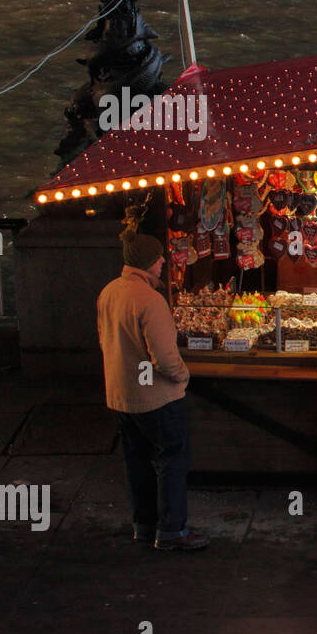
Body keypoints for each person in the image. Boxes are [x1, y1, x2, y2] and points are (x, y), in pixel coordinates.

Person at [96, 226, 208, 551]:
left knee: (136, 462)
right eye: (160, 260)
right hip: (155, 398)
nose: (163, 264)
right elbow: (164, 358)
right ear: (147, 263)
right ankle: (172, 531)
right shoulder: (151, 300)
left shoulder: (109, 292)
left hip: (121, 395)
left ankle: (143, 526)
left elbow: (105, 342)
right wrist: (183, 376)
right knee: (172, 460)